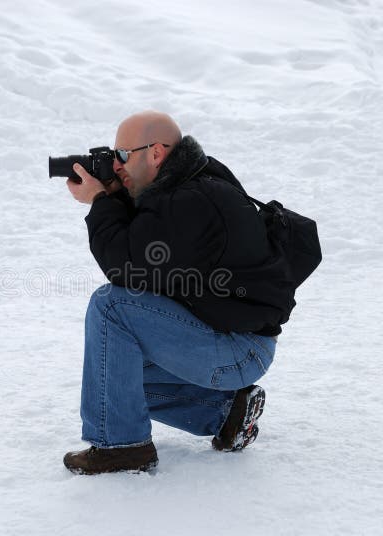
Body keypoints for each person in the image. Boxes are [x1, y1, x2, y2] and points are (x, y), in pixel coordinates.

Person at [64, 111, 283, 475]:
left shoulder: (190, 200)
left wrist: (102, 202)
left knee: (110, 306)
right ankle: (226, 413)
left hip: (238, 348)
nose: (116, 165)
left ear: (156, 153)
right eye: (114, 156)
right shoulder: (190, 181)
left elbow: (126, 269)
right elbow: (149, 245)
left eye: (123, 155)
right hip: (237, 340)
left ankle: (121, 447)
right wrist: (115, 196)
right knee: (112, 377)